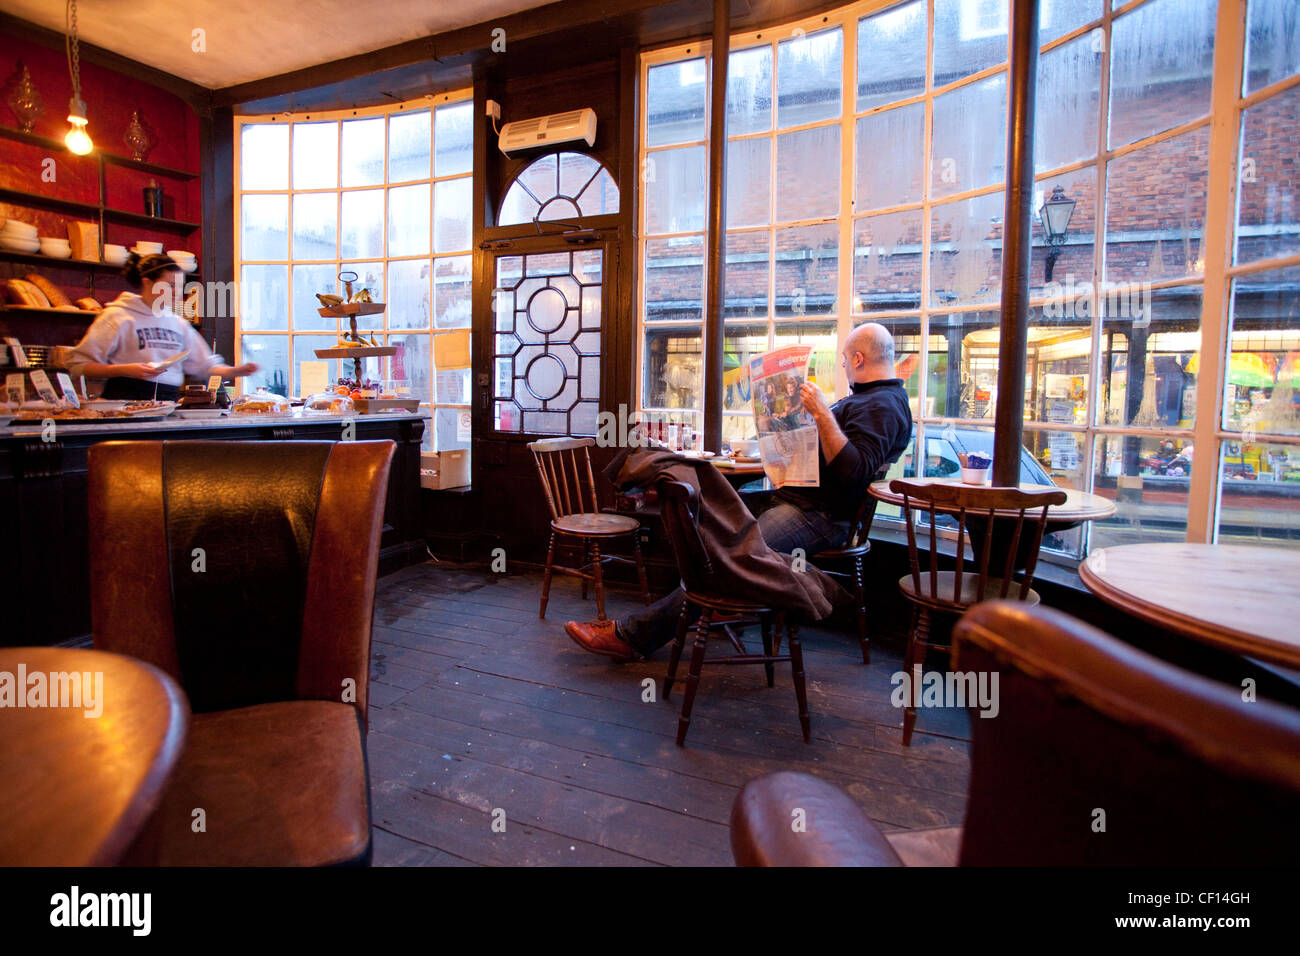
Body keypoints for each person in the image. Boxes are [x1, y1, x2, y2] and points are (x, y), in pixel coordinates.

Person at [565, 321, 913, 661]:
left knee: (724, 553)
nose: (844, 368)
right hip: (795, 499)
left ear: (857, 359)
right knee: (703, 516)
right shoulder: (866, 400)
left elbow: (854, 471)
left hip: (821, 516)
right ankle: (725, 595)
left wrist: (821, 411)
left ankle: (633, 635)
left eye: (843, 360)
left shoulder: (883, 405)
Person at [67, 253, 257, 400]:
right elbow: (78, 364)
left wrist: (235, 371)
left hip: (169, 402)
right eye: (170, 285)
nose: (176, 292)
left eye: (179, 286)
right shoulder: (117, 316)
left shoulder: (177, 322)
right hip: (124, 401)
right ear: (147, 282)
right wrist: (124, 369)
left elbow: (204, 365)